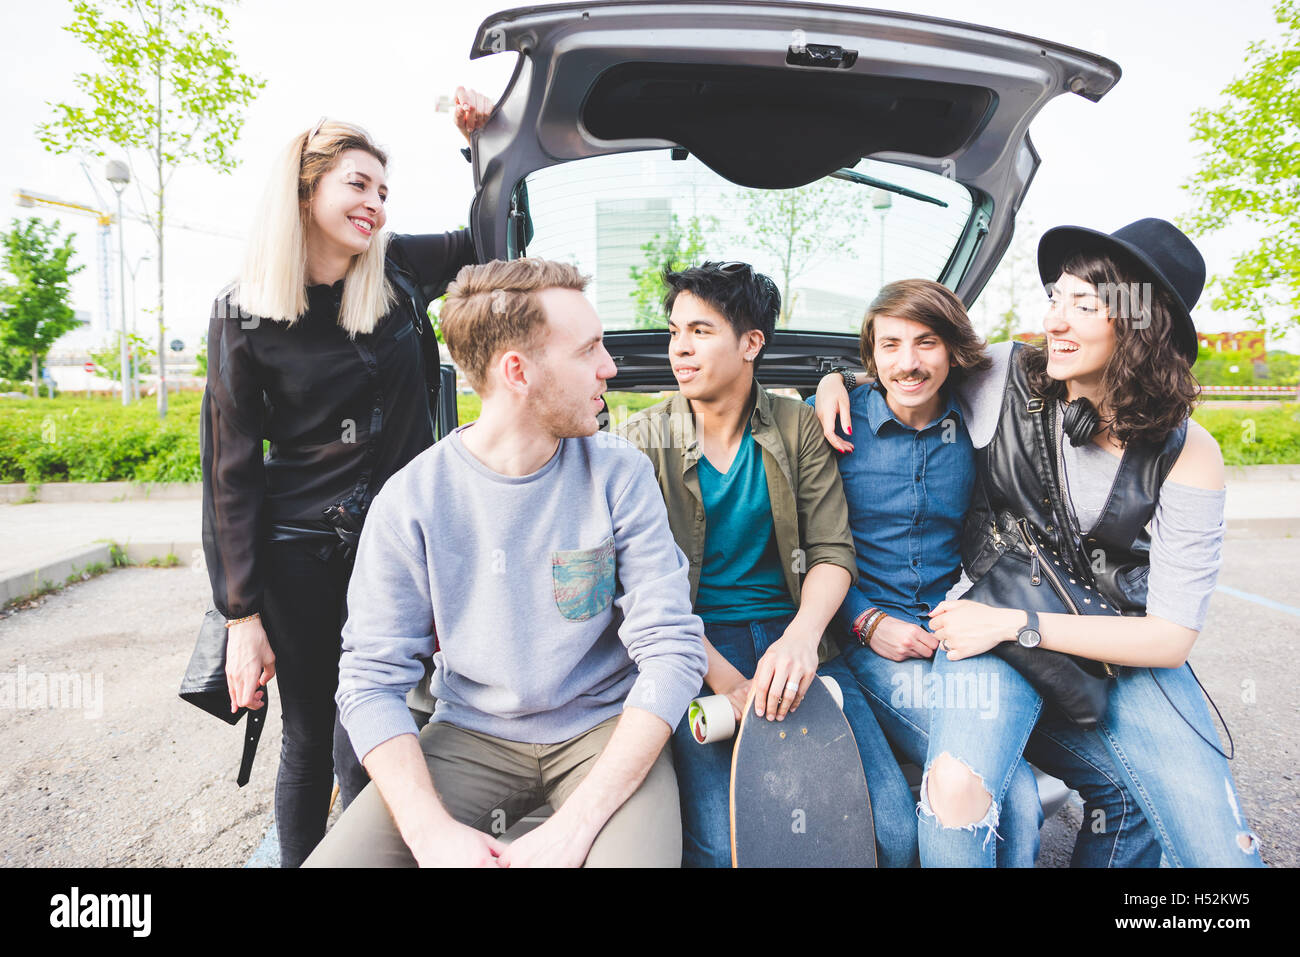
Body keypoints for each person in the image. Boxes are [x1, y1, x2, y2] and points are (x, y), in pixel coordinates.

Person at [817, 220, 1264, 867]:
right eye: (1057, 297)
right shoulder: (1006, 372)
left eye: (1084, 305)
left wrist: (1019, 623)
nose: (1056, 319)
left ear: (1144, 326)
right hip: (985, 630)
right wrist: (834, 377)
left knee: (1225, 854)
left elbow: (1169, 636)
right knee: (957, 790)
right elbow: (906, 372)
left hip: (1107, 643)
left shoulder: (1190, 451)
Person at [302, 258, 708, 868]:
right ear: (518, 371)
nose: (610, 367)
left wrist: (575, 827)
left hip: (604, 732)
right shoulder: (412, 499)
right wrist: (430, 834)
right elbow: (370, 680)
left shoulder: (619, 473)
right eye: (589, 349)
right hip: (471, 735)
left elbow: (672, 648)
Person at [201, 90, 491, 869]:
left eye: (383, 191)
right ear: (305, 191)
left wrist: (480, 144)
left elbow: (495, 239)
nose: (374, 203)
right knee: (310, 731)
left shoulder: (396, 267)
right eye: (357, 185)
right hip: (299, 551)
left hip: (400, 541)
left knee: (378, 720)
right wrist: (240, 615)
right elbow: (229, 470)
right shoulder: (242, 312)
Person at [811, 279, 1155, 867]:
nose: (908, 363)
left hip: (970, 633)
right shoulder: (831, 430)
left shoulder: (980, 426)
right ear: (871, 354)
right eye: (890, 345)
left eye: (926, 343)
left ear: (952, 352)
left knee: (1118, 791)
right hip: (874, 647)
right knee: (1010, 798)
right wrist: (866, 621)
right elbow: (803, 548)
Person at [617, 262, 918, 868]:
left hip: (800, 640)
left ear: (751, 342)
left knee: (893, 833)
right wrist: (728, 682)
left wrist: (802, 641)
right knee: (721, 844)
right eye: (675, 331)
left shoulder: (798, 426)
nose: (680, 348)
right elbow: (639, 592)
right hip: (692, 651)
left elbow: (833, 551)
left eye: (700, 331)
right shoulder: (639, 442)